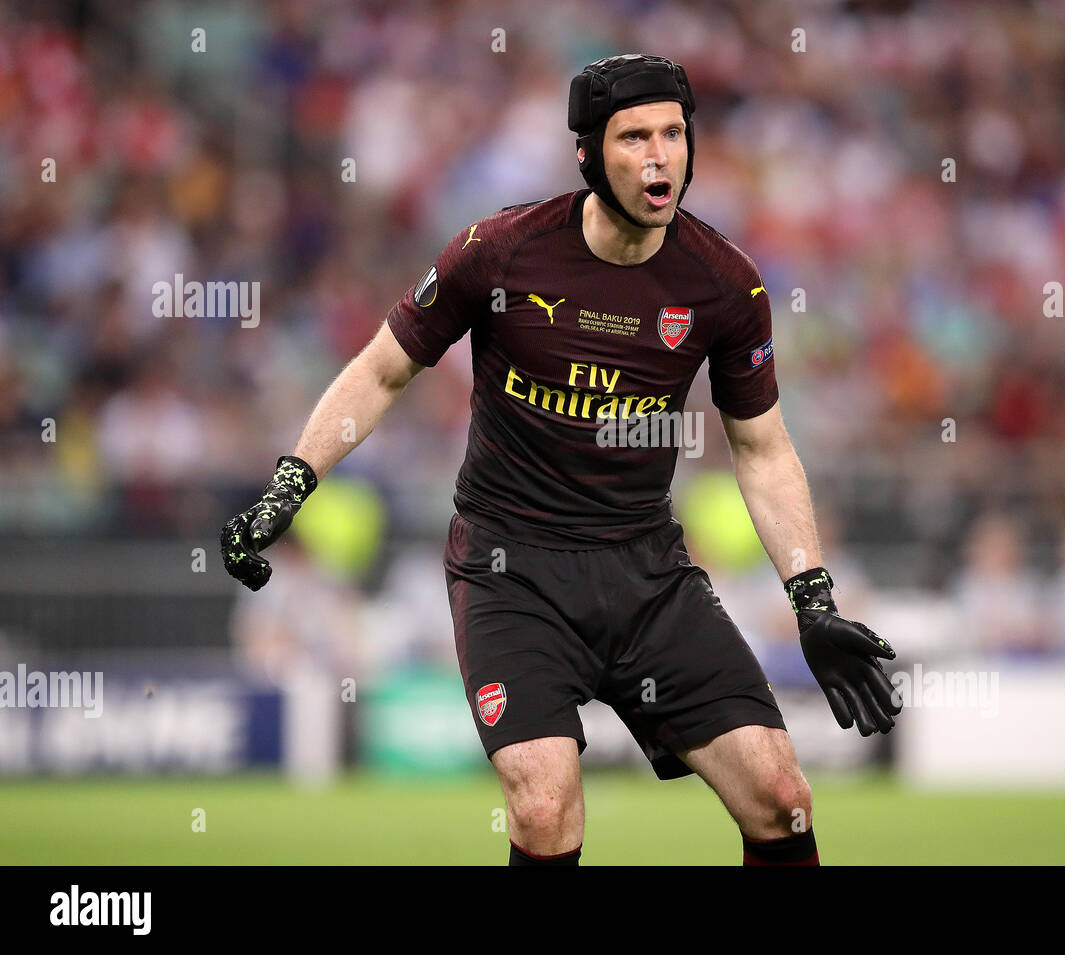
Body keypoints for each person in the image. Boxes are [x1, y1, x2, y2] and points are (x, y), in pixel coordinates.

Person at [219, 53, 899, 866]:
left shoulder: (726, 285)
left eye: (675, 134)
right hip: (513, 572)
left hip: (648, 573)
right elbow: (380, 369)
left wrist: (811, 597)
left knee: (782, 798)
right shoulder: (499, 252)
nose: (660, 156)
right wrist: (291, 485)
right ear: (589, 156)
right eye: (635, 136)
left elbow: (760, 445)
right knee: (544, 808)